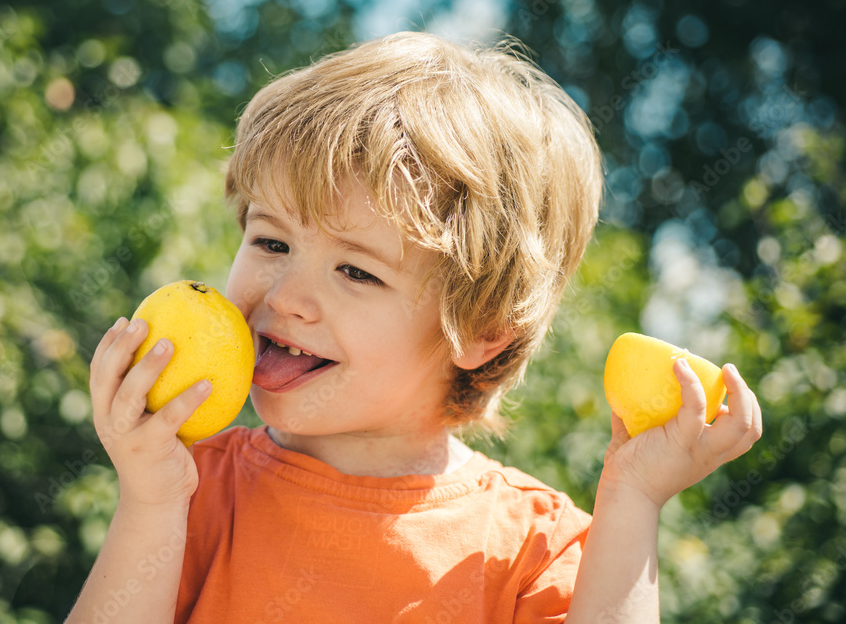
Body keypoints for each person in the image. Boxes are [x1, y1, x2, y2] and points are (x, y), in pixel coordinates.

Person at [65, 32, 762, 623]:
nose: (287, 296)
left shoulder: (531, 544)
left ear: (481, 327)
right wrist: (150, 498)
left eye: (356, 271)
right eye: (271, 242)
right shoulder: (190, 491)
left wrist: (634, 498)